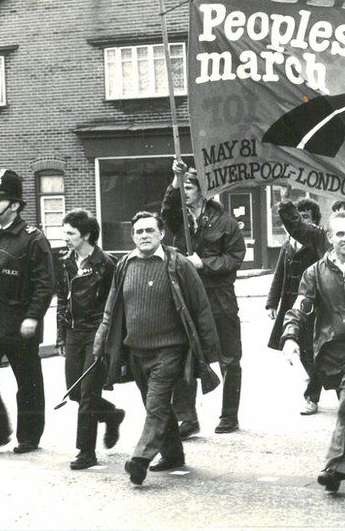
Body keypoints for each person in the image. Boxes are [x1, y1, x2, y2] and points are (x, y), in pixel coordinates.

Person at [93, 211, 220, 485]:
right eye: (139, 232)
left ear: (161, 234)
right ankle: (173, 455)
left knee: (156, 404)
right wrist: (101, 339)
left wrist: (210, 353)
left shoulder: (178, 264)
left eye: (150, 230)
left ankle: (140, 459)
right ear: (132, 236)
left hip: (170, 350)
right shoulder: (124, 265)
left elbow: (200, 308)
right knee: (157, 407)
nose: (144, 236)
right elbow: (112, 307)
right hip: (136, 351)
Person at [282, 210, 345, 492]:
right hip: (329, 351)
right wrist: (290, 336)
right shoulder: (314, 272)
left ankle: (335, 467)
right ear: (329, 237)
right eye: (340, 234)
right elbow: (301, 306)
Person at [0, 169, 54, 456]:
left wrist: (33, 316)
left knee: (27, 380)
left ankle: (28, 437)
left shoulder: (33, 239)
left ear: (15, 205)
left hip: (19, 323)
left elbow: (45, 284)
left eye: (0, 199)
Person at [163, 163, 246, 435]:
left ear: (202, 191)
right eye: (183, 188)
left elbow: (235, 258)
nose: (184, 192)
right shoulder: (180, 218)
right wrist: (175, 180)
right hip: (188, 296)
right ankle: (188, 418)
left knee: (229, 358)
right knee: (186, 355)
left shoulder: (225, 222)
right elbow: (166, 212)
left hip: (219, 297)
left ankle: (229, 416)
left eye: (189, 187)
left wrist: (204, 263)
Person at [56, 209, 124, 470]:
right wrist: (61, 336)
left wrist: (107, 337)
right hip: (74, 332)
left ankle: (86, 451)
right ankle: (112, 415)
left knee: (87, 394)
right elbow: (62, 300)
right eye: (65, 233)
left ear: (85, 235)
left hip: (96, 333)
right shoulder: (65, 262)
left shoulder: (107, 264)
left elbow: (115, 303)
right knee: (74, 392)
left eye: (70, 234)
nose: (66, 239)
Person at [266, 199, 322, 415]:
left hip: (314, 304)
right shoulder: (288, 244)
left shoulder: (317, 241)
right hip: (292, 306)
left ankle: (312, 394)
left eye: (305, 217)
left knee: (315, 349)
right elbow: (279, 274)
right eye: (297, 216)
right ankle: (312, 392)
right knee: (303, 351)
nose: (299, 221)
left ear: (314, 220)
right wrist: (272, 303)